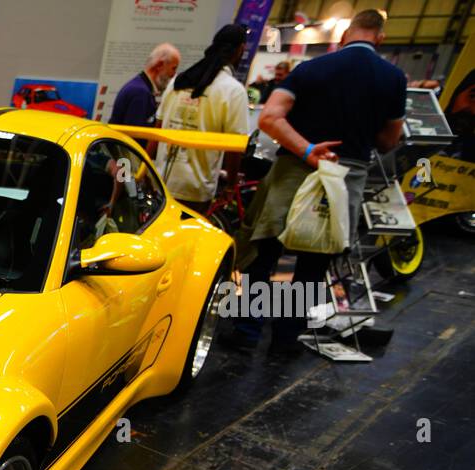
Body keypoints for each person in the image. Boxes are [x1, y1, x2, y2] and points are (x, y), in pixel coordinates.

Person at [227, 9, 406, 355]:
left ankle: (246, 331)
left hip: (294, 168)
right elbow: (388, 140)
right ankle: (285, 339)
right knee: (313, 263)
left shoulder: (310, 69)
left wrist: (308, 149)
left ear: (344, 36)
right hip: (344, 177)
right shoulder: (394, 78)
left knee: (266, 252)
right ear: (380, 38)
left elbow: (269, 117)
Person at [155, 24, 250, 214]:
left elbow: (157, 130)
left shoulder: (179, 81)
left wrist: (146, 170)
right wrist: (231, 186)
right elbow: (235, 148)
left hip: (160, 181)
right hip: (195, 190)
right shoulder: (233, 90)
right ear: (240, 50)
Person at [109, 43, 180, 137]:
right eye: (173, 68)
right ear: (159, 65)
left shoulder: (138, 87)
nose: (174, 75)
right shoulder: (140, 93)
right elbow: (136, 138)